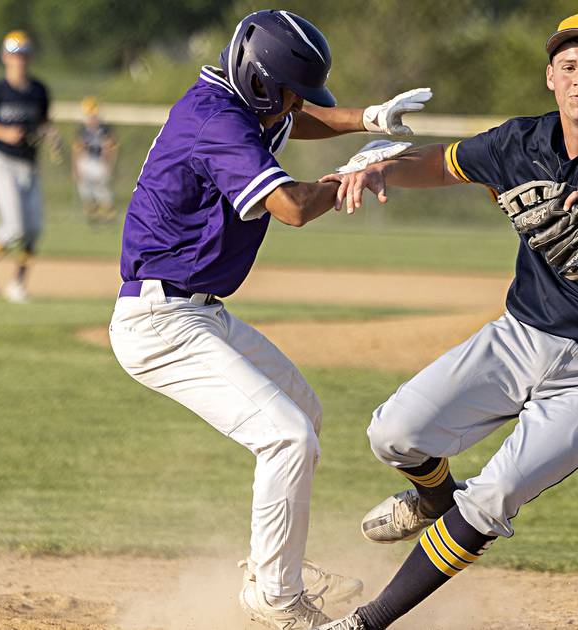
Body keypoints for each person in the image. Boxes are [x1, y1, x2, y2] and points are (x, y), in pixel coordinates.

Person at [314, 11, 578, 630]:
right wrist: (380, 168)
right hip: (522, 336)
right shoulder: (521, 142)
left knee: (496, 494)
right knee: (393, 433)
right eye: (569, 67)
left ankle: (367, 621)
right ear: (550, 78)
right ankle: (434, 499)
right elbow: (446, 162)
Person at [106, 9, 432, 630]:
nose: (291, 106)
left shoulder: (238, 103)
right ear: (259, 82)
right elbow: (289, 207)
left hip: (196, 311)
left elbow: (297, 119)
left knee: (302, 411)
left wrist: (367, 119)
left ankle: (272, 565)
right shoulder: (217, 123)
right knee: (286, 436)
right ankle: (277, 600)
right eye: (284, 92)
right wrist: (349, 174)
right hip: (160, 321)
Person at [0, 30, 57, 304]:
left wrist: (51, 135)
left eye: (23, 55)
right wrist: (4, 133)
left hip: (28, 165)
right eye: (14, 55)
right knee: (14, 227)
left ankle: (17, 284)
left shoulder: (38, 90)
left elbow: (43, 123)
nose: (19, 60)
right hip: (0, 162)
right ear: (4, 57)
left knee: (33, 230)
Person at [71, 96, 119, 225]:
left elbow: (110, 146)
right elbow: (77, 148)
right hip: (86, 159)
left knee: (101, 187)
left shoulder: (104, 128)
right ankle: (92, 211)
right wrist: (75, 166)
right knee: (84, 186)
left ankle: (108, 211)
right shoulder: (82, 129)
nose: (91, 118)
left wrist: (109, 162)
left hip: (99, 161)